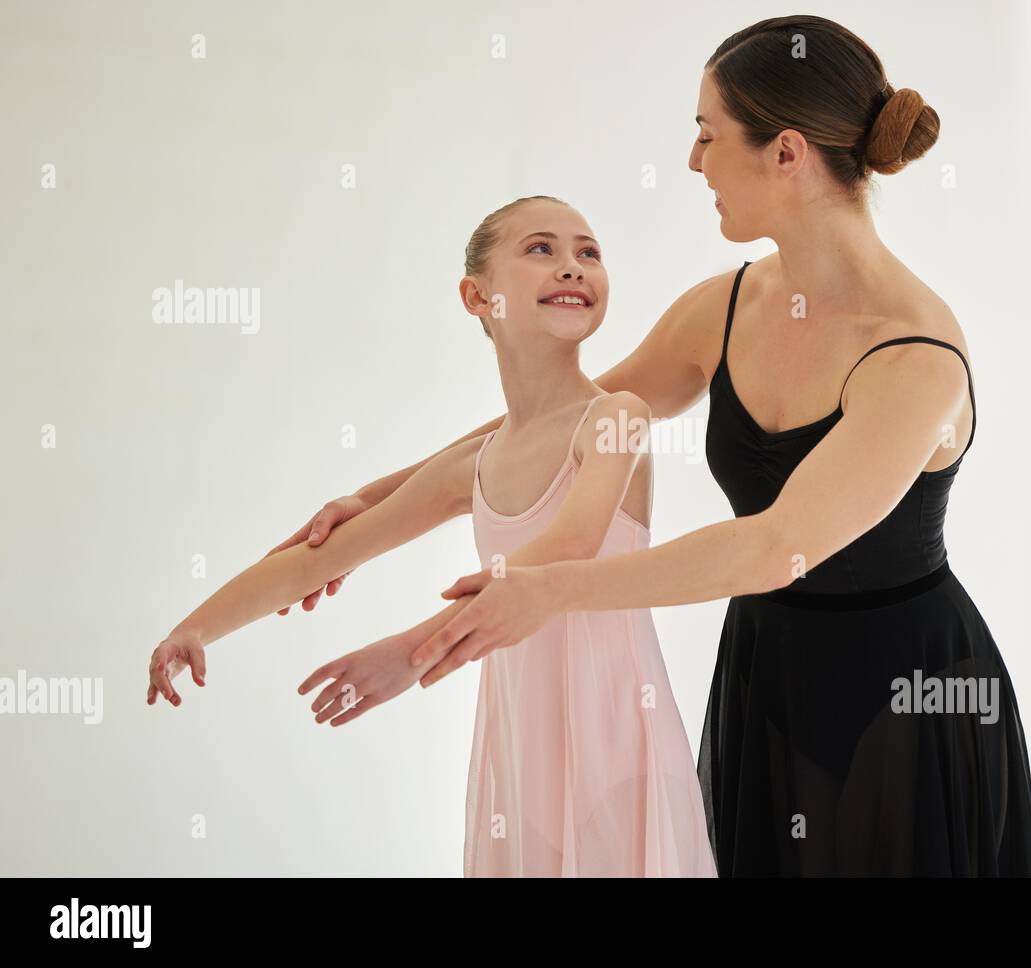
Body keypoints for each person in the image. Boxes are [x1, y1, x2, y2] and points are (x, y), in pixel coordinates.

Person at [280, 15, 1031, 876]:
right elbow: (568, 421)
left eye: (707, 134)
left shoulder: (915, 357)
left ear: (786, 153)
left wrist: (551, 588)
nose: (693, 161)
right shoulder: (723, 307)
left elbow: (773, 546)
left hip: (905, 704)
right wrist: (382, 496)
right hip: (767, 676)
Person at [149, 195, 716, 877]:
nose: (572, 267)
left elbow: (566, 549)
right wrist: (196, 628)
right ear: (477, 296)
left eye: (588, 252)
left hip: (615, 743)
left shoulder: (615, 418)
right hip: (518, 756)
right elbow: (315, 560)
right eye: (541, 249)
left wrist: (412, 653)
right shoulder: (475, 465)